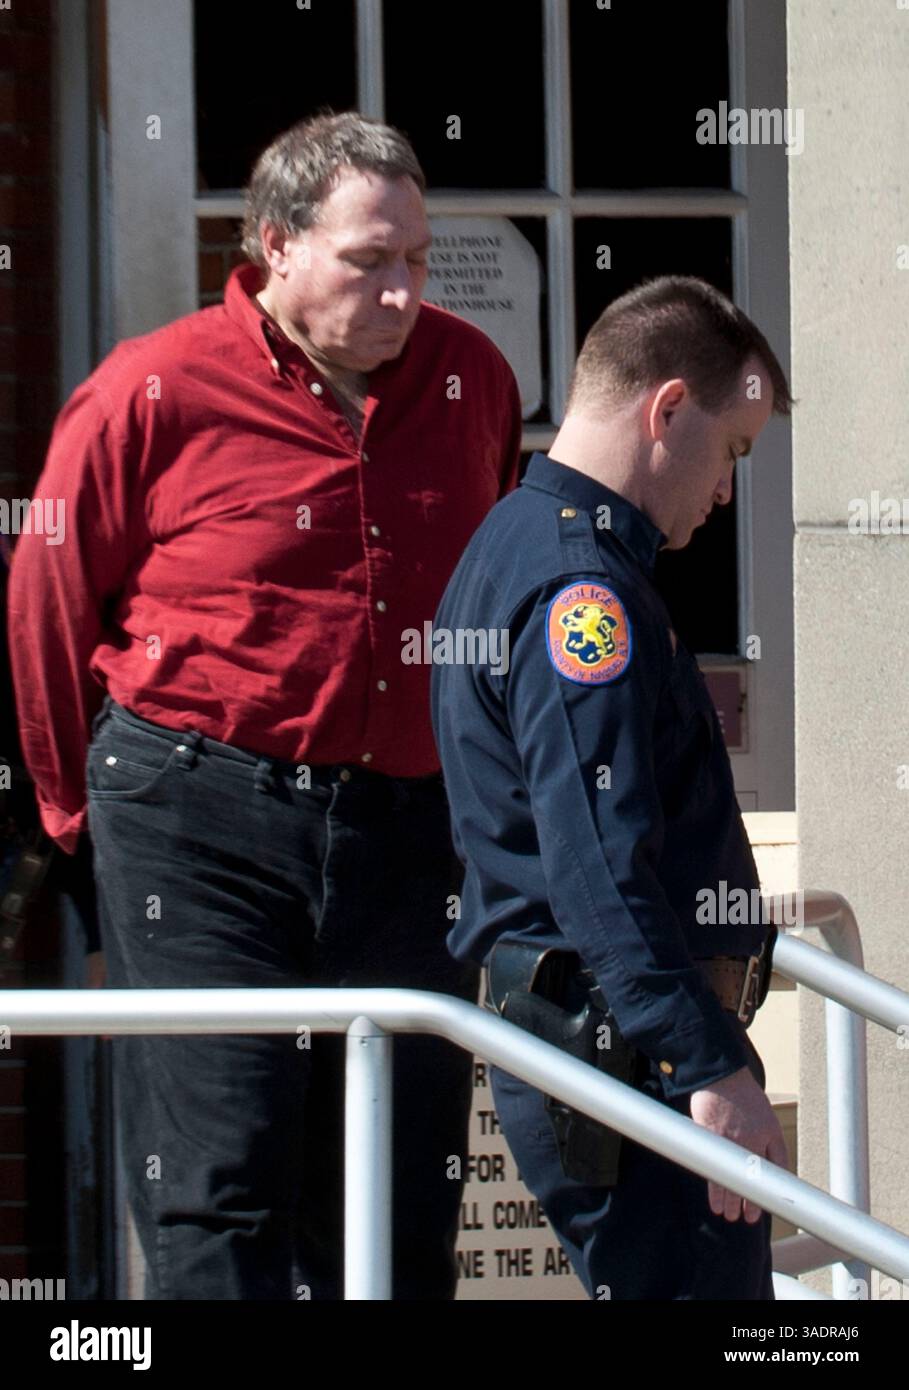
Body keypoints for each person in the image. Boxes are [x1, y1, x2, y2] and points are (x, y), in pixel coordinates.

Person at [7, 111, 522, 1300]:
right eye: (367, 261)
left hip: (406, 825)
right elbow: (45, 598)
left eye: (415, 260)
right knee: (218, 1176)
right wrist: (72, 815)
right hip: (199, 820)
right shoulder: (153, 389)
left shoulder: (470, 378)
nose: (399, 293)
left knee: (398, 1184)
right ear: (276, 248)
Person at [430, 275, 794, 1301]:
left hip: (620, 1036)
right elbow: (596, 866)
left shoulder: (520, 540)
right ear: (666, 409)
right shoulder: (581, 591)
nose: (726, 491)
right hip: (627, 1048)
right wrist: (707, 1068)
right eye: (732, 451)